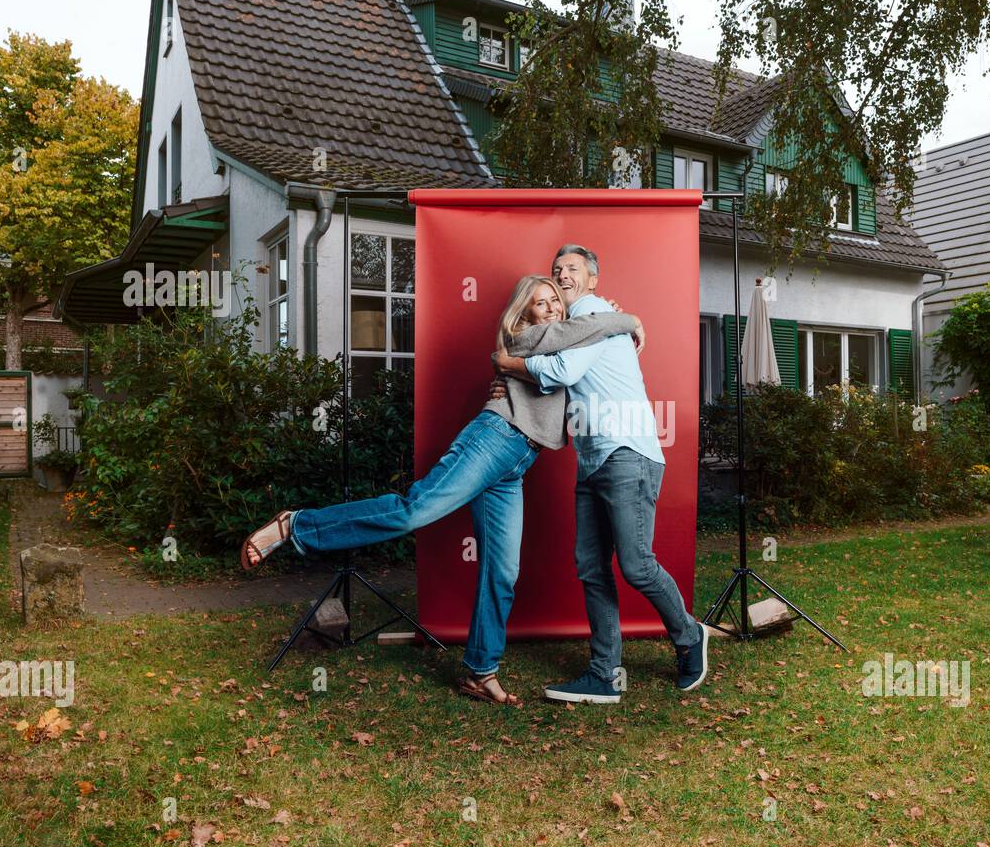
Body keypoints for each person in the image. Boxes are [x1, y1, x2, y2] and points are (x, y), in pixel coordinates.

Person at [241, 274, 645, 705]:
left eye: (555, 302)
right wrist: (628, 318)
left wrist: (607, 318)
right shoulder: (526, 336)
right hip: (495, 439)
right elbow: (579, 330)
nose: (551, 309)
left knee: (502, 572)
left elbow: (578, 341)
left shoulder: (558, 344)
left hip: (516, 463)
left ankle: (480, 671)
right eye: (541, 303)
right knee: (412, 510)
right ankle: (296, 526)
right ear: (524, 312)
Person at [492, 245, 708, 705]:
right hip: (595, 458)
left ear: (592, 280)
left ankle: (690, 635)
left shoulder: (590, 312)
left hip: (626, 452)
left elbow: (564, 370)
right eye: (556, 270)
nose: (561, 275)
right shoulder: (579, 323)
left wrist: (508, 364)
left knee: (635, 565)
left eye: (571, 269)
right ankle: (604, 673)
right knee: (592, 568)